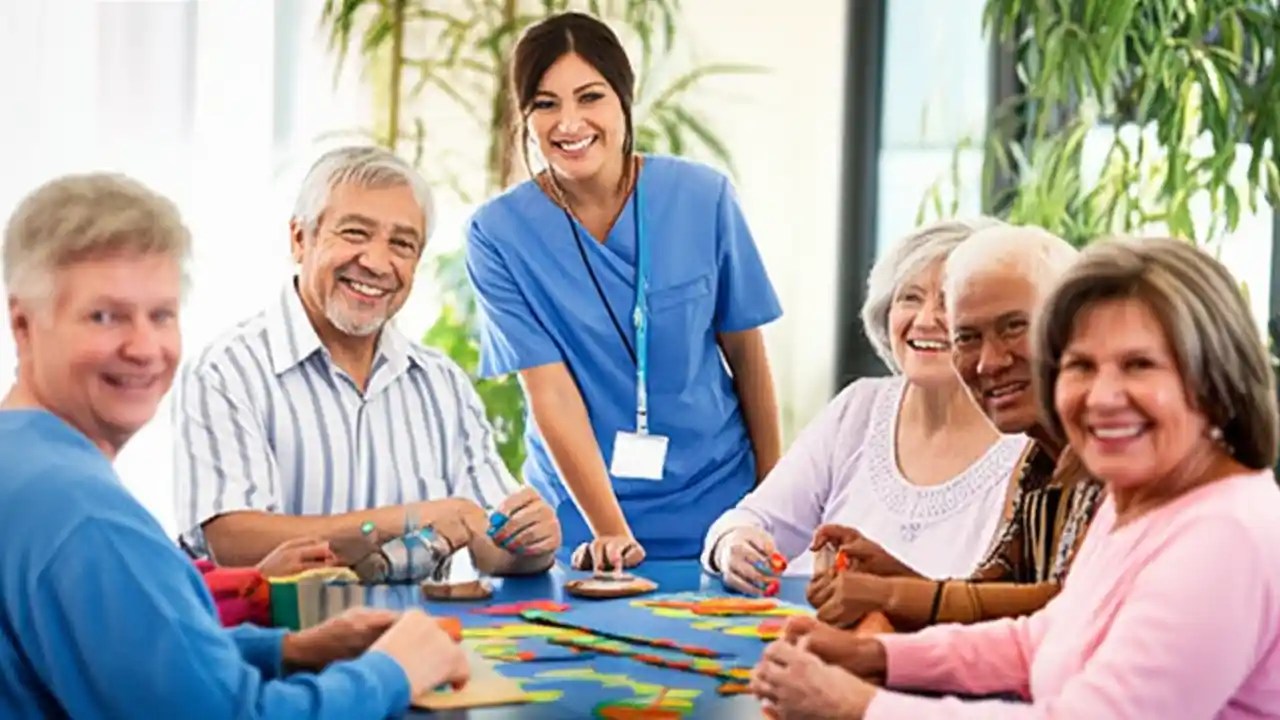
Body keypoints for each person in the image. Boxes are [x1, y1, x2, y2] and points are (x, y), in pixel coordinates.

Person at [0, 172, 467, 718]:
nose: (144, 347)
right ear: (24, 326)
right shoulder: (86, 517)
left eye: (162, 315)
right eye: (105, 317)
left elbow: (133, 648)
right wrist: (392, 672)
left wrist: (289, 650)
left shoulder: (24, 463)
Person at [752, 236, 1280, 718]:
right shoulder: (1138, 499)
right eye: (1080, 365)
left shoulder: (1222, 535)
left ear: (1215, 376)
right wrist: (877, 655)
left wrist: (858, 705)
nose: (1101, 396)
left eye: (1139, 365)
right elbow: (1040, 639)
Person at [465, 11, 783, 567]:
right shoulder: (498, 235)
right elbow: (551, 394)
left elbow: (747, 356)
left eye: (590, 97)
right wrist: (610, 532)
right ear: (524, 117)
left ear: (623, 102)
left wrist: (772, 502)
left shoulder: (702, 198)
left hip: (719, 508)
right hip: (584, 526)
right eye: (545, 104)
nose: (569, 122)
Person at [172, 145, 560, 575]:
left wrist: (531, 542)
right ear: (300, 239)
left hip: (420, 638)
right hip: (281, 639)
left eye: (402, 243)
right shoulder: (229, 371)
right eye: (355, 233)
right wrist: (414, 518)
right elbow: (233, 540)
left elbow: (488, 537)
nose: (377, 262)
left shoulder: (442, 384)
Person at [702, 218, 1030, 595]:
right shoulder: (860, 406)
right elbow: (754, 518)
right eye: (910, 297)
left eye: (949, 301)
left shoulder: (1028, 443)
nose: (924, 320)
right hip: (801, 635)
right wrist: (734, 544)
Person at [806, 224, 1105, 629]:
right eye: (966, 337)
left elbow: (1071, 610)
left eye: (1014, 327)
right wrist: (889, 573)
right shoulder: (1040, 460)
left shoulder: (1113, 456)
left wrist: (892, 595)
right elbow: (994, 591)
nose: (988, 362)